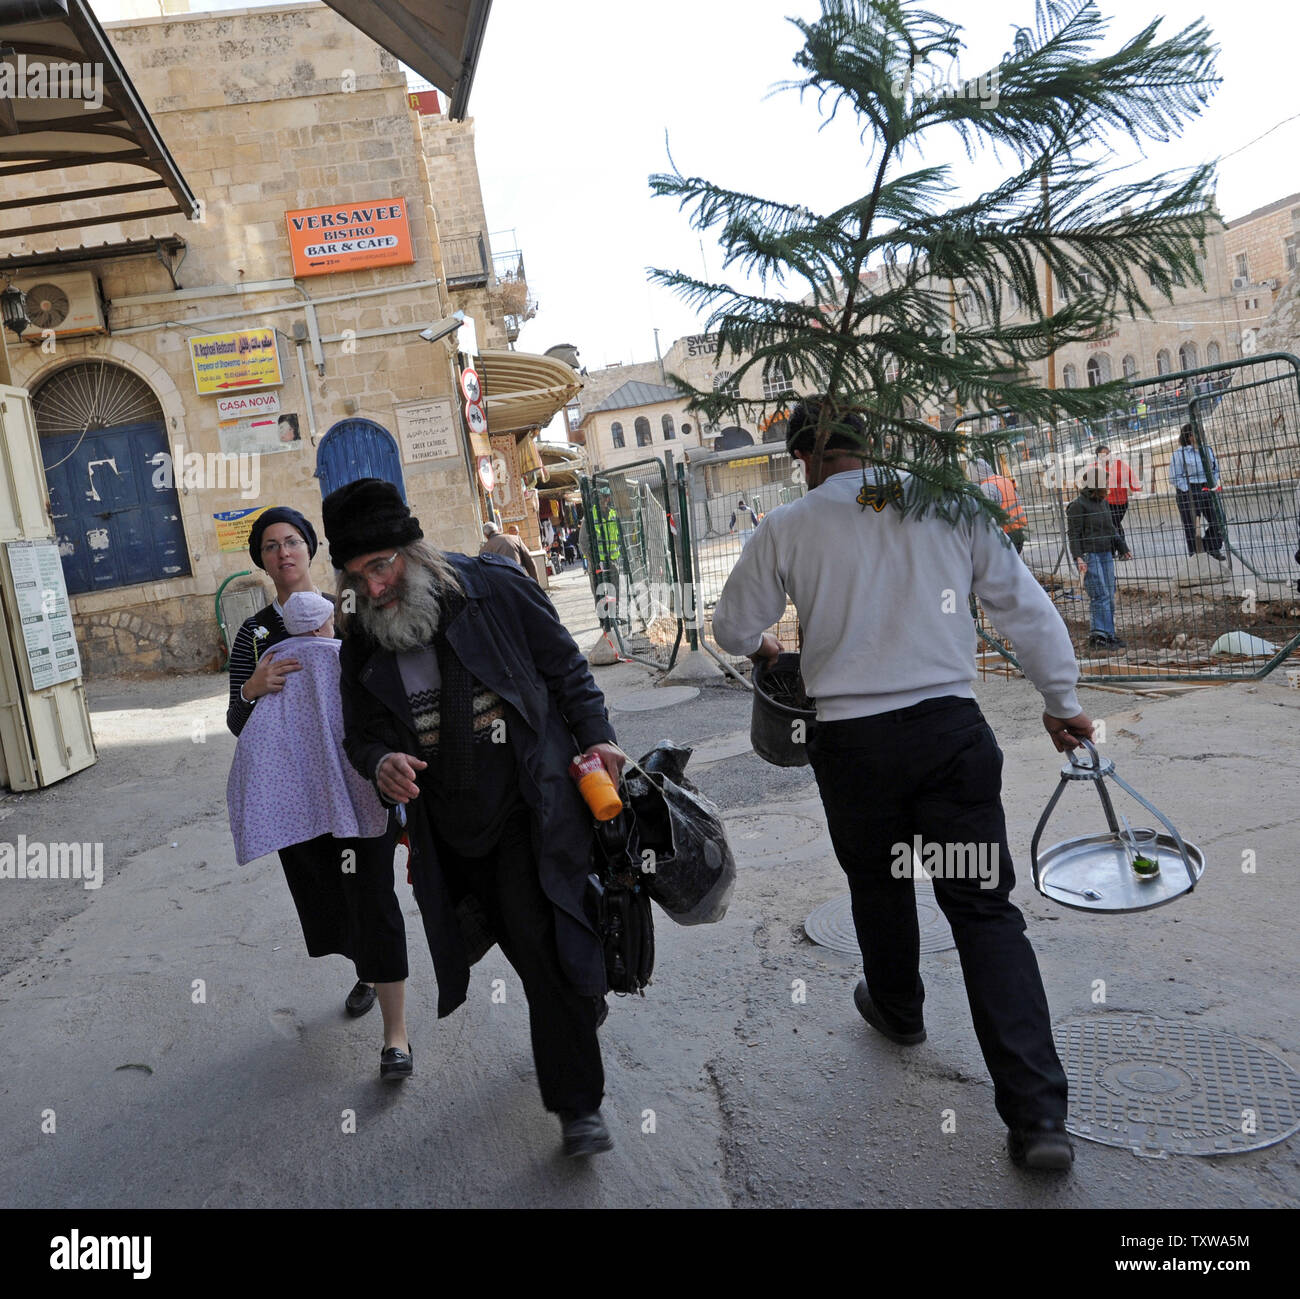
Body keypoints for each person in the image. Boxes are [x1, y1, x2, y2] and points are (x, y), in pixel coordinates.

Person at [712, 399, 1094, 1172]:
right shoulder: (946, 501)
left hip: (854, 748)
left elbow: (730, 629)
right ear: (877, 442)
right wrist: (1062, 700)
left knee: (879, 882)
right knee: (984, 911)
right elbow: (1021, 604)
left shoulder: (788, 524)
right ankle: (1038, 1117)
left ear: (803, 457)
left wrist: (768, 649)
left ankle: (898, 1007)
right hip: (949, 737)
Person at [324, 478, 627, 1157]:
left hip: (529, 799)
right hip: (448, 827)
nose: (373, 587)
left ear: (413, 550)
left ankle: (577, 1105)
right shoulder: (361, 637)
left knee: (539, 939)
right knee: (522, 940)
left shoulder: (495, 587)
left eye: (382, 566)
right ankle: (579, 1001)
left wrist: (598, 736)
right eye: (356, 575)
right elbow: (359, 734)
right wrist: (380, 762)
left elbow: (566, 670)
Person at [226, 507, 409, 1047]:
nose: (283, 552)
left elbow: (388, 687)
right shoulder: (254, 633)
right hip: (299, 796)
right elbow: (237, 721)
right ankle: (366, 969)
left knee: (374, 894)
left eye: (291, 541)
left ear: (309, 547)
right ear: (261, 560)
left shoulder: (348, 611)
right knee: (330, 893)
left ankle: (396, 1035)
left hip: (360, 780)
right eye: (270, 546)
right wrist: (253, 688)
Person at [1067, 472, 1132, 651]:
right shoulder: (1078, 506)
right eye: (1106, 483)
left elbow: (1111, 528)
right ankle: (1098, 636)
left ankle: (1109, 635)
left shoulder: (1103, 503)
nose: (1109, 486)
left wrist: (1122, 547)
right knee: (1100, 594)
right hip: (1090, 555)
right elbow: (1074, 535)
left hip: (1105, 553)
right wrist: (1079, 557)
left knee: (1109, 594)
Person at [1169, 424, 1225, 560]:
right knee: (1192, 524)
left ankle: (1211, 547)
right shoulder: (1179, 454)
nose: (1201, 435)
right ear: (1189, 436)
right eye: (1197, 433)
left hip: (1207, 487)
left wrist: (1212, 482)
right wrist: (1187, 490)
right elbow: (1174, 477)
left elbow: (1215, 468)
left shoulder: (1207, 450)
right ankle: (1195, 553)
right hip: (1189, 490)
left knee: (1219, 519)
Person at [1091, 443, 1141, 557]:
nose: (1107, 456)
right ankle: (1121, 551)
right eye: (1103, 455)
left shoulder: (1119, 464)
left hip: (1121, 502)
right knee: (1113, 524)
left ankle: (1115, 550)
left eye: (1108, 453)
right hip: (1105, 502)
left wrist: (1136, 489)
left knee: (1113, 524)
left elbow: (1131, 476)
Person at [971, 458, 1028, 554]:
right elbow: (1018, 499)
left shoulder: (986, 487)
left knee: (1006, 562)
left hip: (1005, 532)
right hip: (1018, 528)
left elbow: (987, 513)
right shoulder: (1003, 479)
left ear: (974, 474)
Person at [590, 486, 624, 622]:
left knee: (614, 588)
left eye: (605, 497)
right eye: (600, 498)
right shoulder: (590, 515)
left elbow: (618, 535)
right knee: (600, 590)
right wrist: (593, 559)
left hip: (613, 559)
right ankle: (604, 620)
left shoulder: (613, 514)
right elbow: (584, 541)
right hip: (599, 561)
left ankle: (615, 615)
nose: (603, 500)